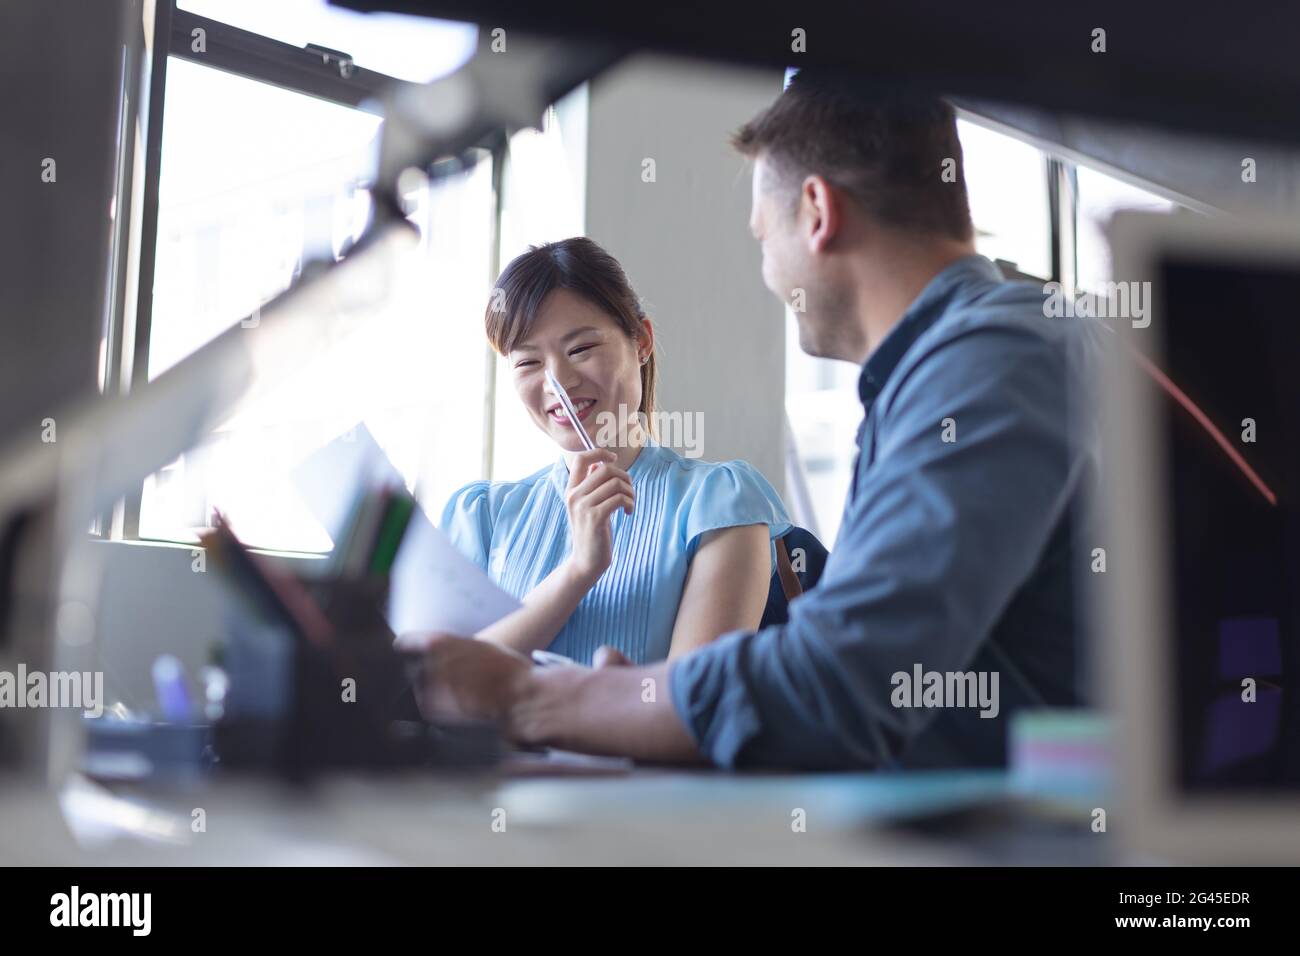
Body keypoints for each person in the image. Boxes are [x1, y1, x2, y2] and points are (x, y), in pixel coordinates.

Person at [408, 70, 1103, 771]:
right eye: (527, 361)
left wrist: (535, 698)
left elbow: (838, 683)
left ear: (817, 211)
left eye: (764, 237)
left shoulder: (987, 361)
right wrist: (632, 694)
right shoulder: (940, 374)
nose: (767, 270)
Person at [424, 236, 791, 666]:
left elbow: (685, 713)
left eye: (580, 349)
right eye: (528, 363)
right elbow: (444, 685)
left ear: (641, 342)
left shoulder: (720, 502)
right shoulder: (481, 515)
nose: (557, 381)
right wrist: (579, 570)